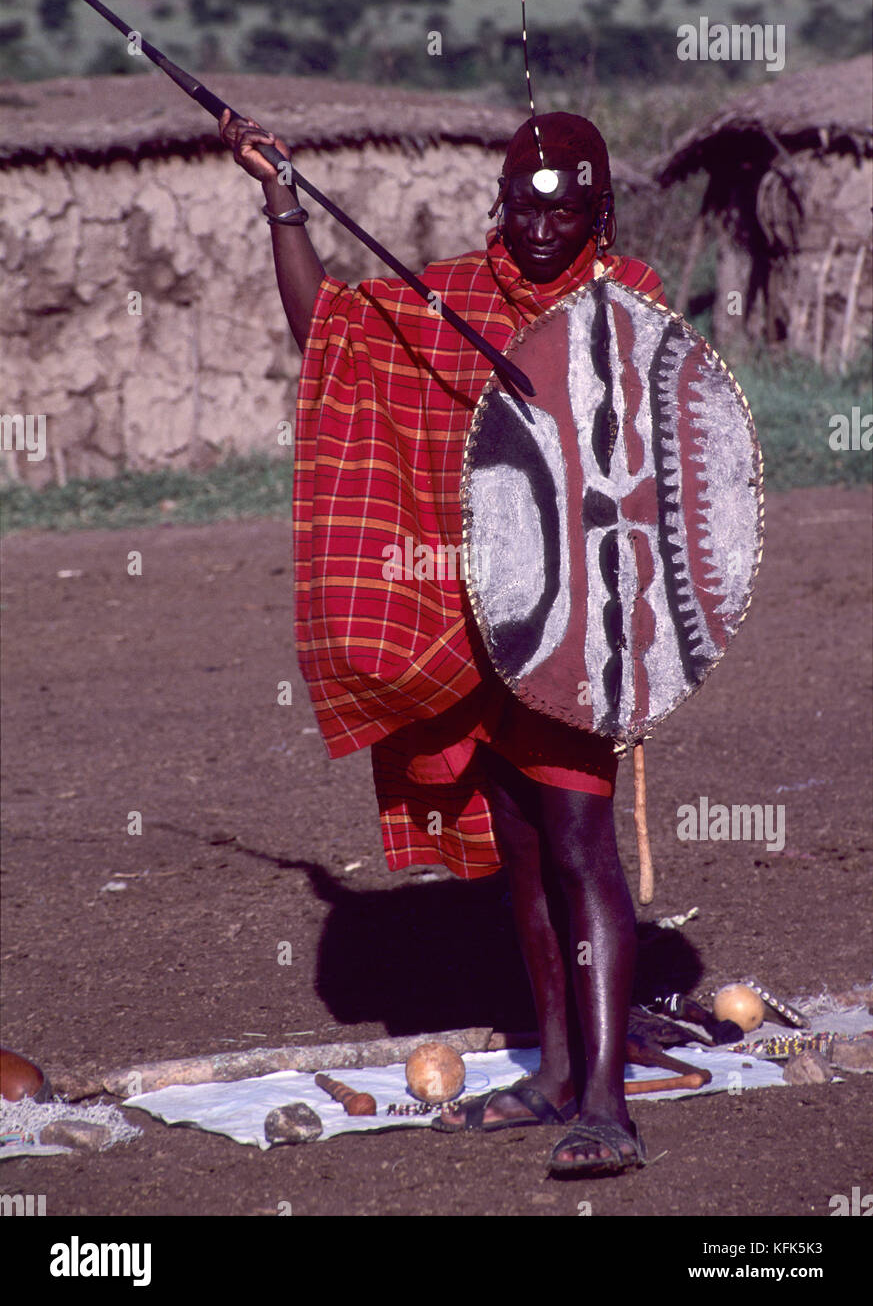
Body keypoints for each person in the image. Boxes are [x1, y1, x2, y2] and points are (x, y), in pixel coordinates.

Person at [220, 106, 664, 1175]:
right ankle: (556, 1069)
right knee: (519, 848)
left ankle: (607, 1104)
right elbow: (328, 332)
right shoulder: (450, 297)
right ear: (500, 205)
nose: (542, 228)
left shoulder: (628, 299)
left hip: (576, 631)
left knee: (578, 841)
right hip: (477, 624)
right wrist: (282, 196)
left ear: (598, 209)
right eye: (523, 205)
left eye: (565, 209)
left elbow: (646, 454)